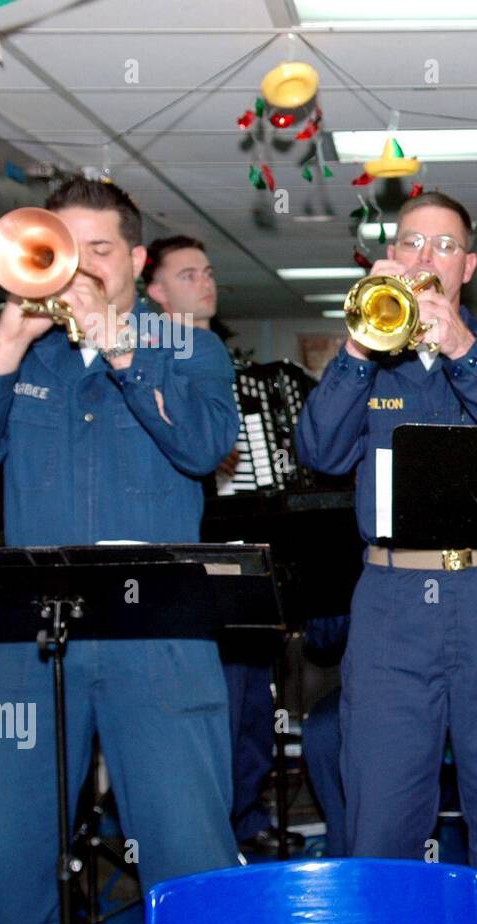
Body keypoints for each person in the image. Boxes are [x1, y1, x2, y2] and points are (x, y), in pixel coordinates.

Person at [0, 176, 240, 924]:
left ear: (135, 259)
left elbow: (204, 446)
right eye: (63, 250)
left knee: (189, 855)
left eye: (99, 250)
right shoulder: (17, 357)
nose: (80, 267)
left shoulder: (191, 348)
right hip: (25, 639)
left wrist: (121, 347)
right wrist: (4, 342)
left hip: (160, 634)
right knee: (3, 863)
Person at [295, 191, 477, 924]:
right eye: (411, 243)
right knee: (381, 817)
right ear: (390, 256)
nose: (424, 258)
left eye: (443, 246)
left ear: (468, 266)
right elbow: (316, 451)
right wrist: (354, 350)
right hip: (392, 602)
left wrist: (463, 353)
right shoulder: (372, 360)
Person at [144, 235, 285, 854]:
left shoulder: (214, 359)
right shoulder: (143, 357)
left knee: (250, 693)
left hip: (229, 552)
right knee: (213, 703)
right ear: (152, 291)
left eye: (209, 272)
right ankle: (201, 834)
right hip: (176, 557)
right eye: (187, 273)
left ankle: (244, 821)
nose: (207, 283)